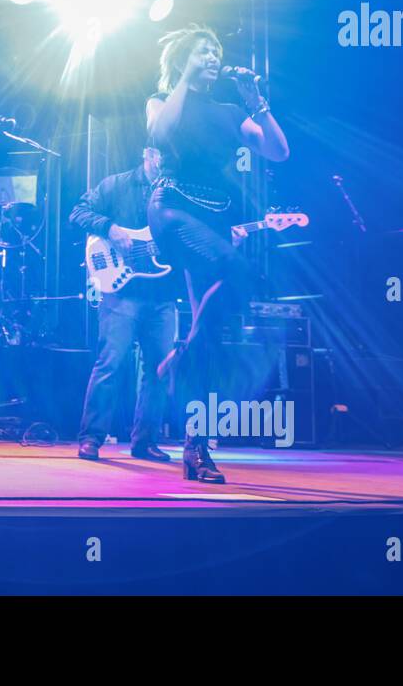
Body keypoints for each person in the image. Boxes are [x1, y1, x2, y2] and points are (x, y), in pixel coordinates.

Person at [145, 24, 289, 483]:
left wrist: (257, 103)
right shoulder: (161, 101)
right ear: (185, 58)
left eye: (216, 51)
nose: (213, 57)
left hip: (212, 221)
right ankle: (183, 355)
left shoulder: (230, 113)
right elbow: (161, 131)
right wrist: (183, 77)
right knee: (236, 268)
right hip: (170, 212)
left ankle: (196, 448)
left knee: (212, 339)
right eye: (203, 51)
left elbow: (279, 151)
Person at [71, 147, 179, 462]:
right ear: (148, 153)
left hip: (162, 294)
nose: (167, 163)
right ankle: (91, 438)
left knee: (158, 369)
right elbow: (77, 212)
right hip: (122, 292)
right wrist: (109, 228)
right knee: (111, 362)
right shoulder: (115, 185)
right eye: (163, 156)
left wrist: (225, 238)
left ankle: (145, 441)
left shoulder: (177, 193)